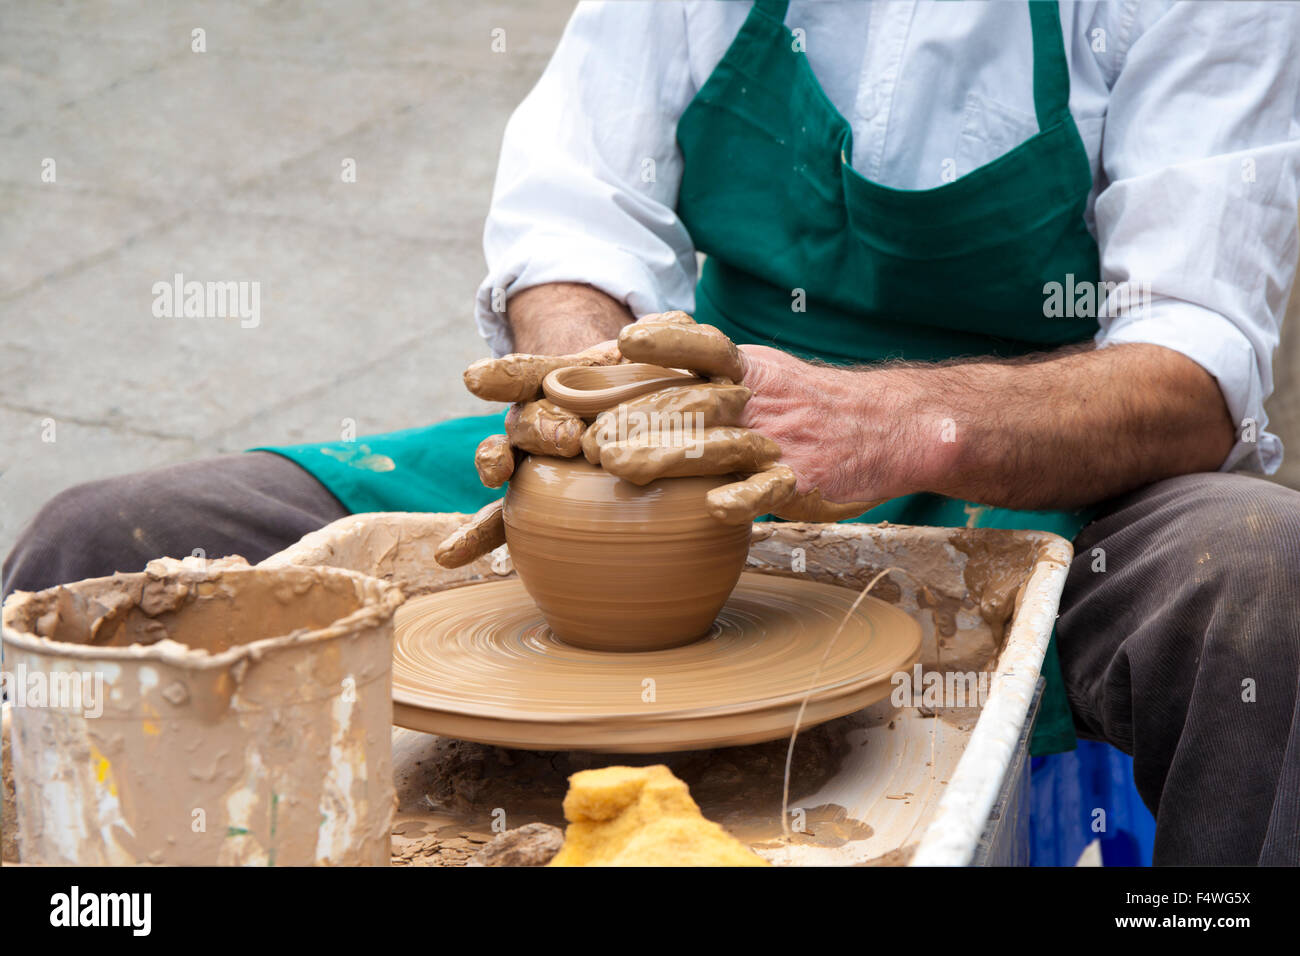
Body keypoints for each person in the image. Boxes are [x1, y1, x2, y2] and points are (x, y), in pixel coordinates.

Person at [5, 1, 1299, 865]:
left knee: (1260, 581)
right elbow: (577, 203)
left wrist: (903, 423)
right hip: (704, 444)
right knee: (117, 545)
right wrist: (594, 391)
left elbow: (1192, 364)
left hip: (1029, 463)